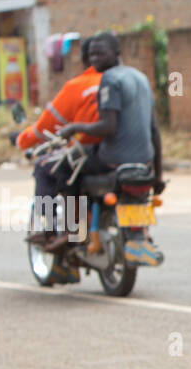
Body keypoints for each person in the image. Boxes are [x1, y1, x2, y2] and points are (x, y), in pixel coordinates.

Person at [57, 32, 167, 264]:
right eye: (91, 54)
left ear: (117, 53)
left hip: (113, 159)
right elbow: (154, 130)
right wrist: (157, 174)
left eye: (100, 52)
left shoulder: (110, 79)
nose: (94, 58)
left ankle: (73, 231)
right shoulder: (142, 78)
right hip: (143, 161)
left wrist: (73, 128)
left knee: (66, 168)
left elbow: (108, 126)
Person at [15, 38, 102, 259]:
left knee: (46, 166)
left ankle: (52, 228)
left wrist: (22, 140)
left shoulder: (77, 86)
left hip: (88, 152)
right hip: (124, 154)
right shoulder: (125, 81)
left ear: (85, 59)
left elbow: (46, 126)